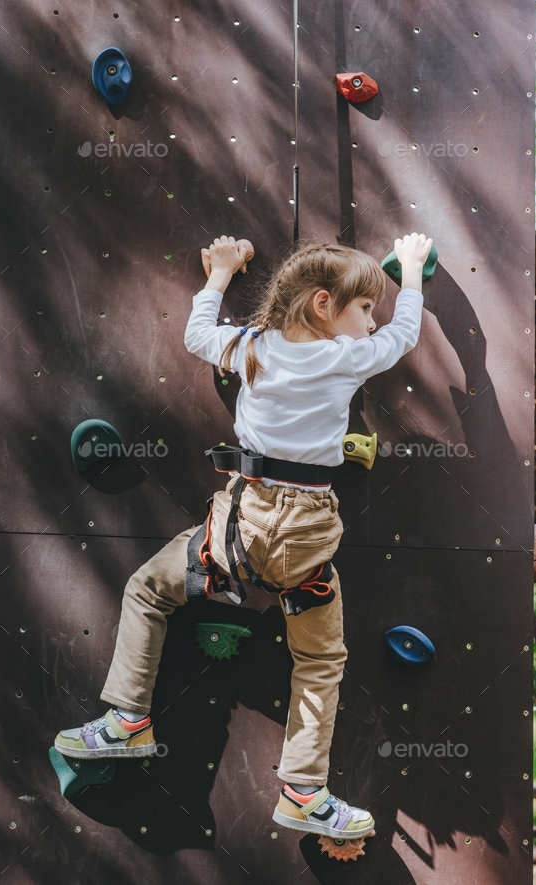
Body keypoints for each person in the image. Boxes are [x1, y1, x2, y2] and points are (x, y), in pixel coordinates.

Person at [55, 231, 432, 843]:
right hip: (306, 538)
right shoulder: (347, 358)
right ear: (321, 305)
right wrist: (411, 271)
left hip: (237, 530)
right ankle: (303, 792)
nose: (373, 320)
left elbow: (196, 334)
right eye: (365, 307)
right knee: (319, 660)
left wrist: (220, 274)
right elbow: (406, 334)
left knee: (150, 590)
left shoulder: (253, 348)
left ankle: (127, 719)